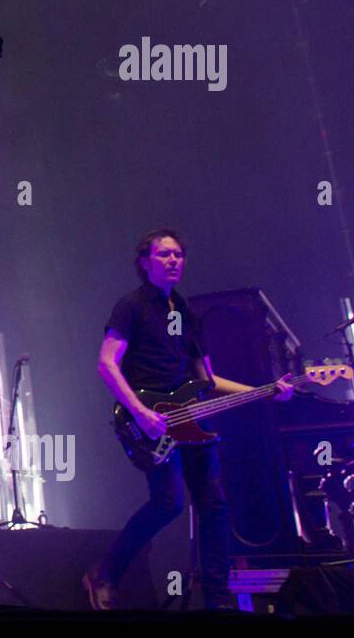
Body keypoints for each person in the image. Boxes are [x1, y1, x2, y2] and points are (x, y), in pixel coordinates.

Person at [83, 228, 293, 610]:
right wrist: (141, 413)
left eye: (178, 254)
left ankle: (217, 601)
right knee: (168, 503)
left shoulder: (187, 315)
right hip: (149, 417)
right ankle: (105, 573)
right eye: (164, 255)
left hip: (192, 419)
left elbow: (207, 381)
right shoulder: (131, 307)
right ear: (145, 263)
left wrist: (265, 390)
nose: (174, 260)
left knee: (214, 505)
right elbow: (106, 363)